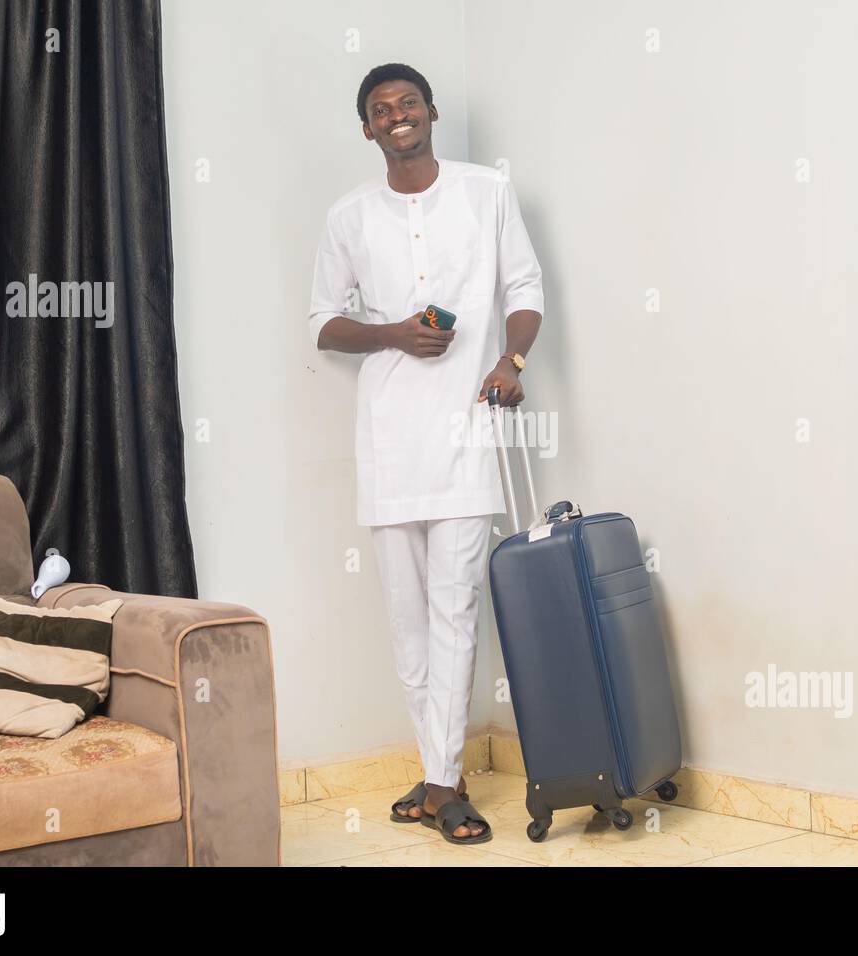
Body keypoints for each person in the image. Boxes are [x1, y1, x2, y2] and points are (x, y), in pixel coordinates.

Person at [307, 63, 544, 844]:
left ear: (431, 112)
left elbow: (525, 289)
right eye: (381, 109)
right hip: (387, 440)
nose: (397, 115)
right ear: (366, 129)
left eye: (408, 102)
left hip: (466, 435)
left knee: (457, 609)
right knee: (409, 623)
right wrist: (393, 333)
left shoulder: (486, 191)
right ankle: (441, 771)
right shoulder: (349, 216)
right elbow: (324, 323)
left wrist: (510, 364)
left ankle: (442, 782)